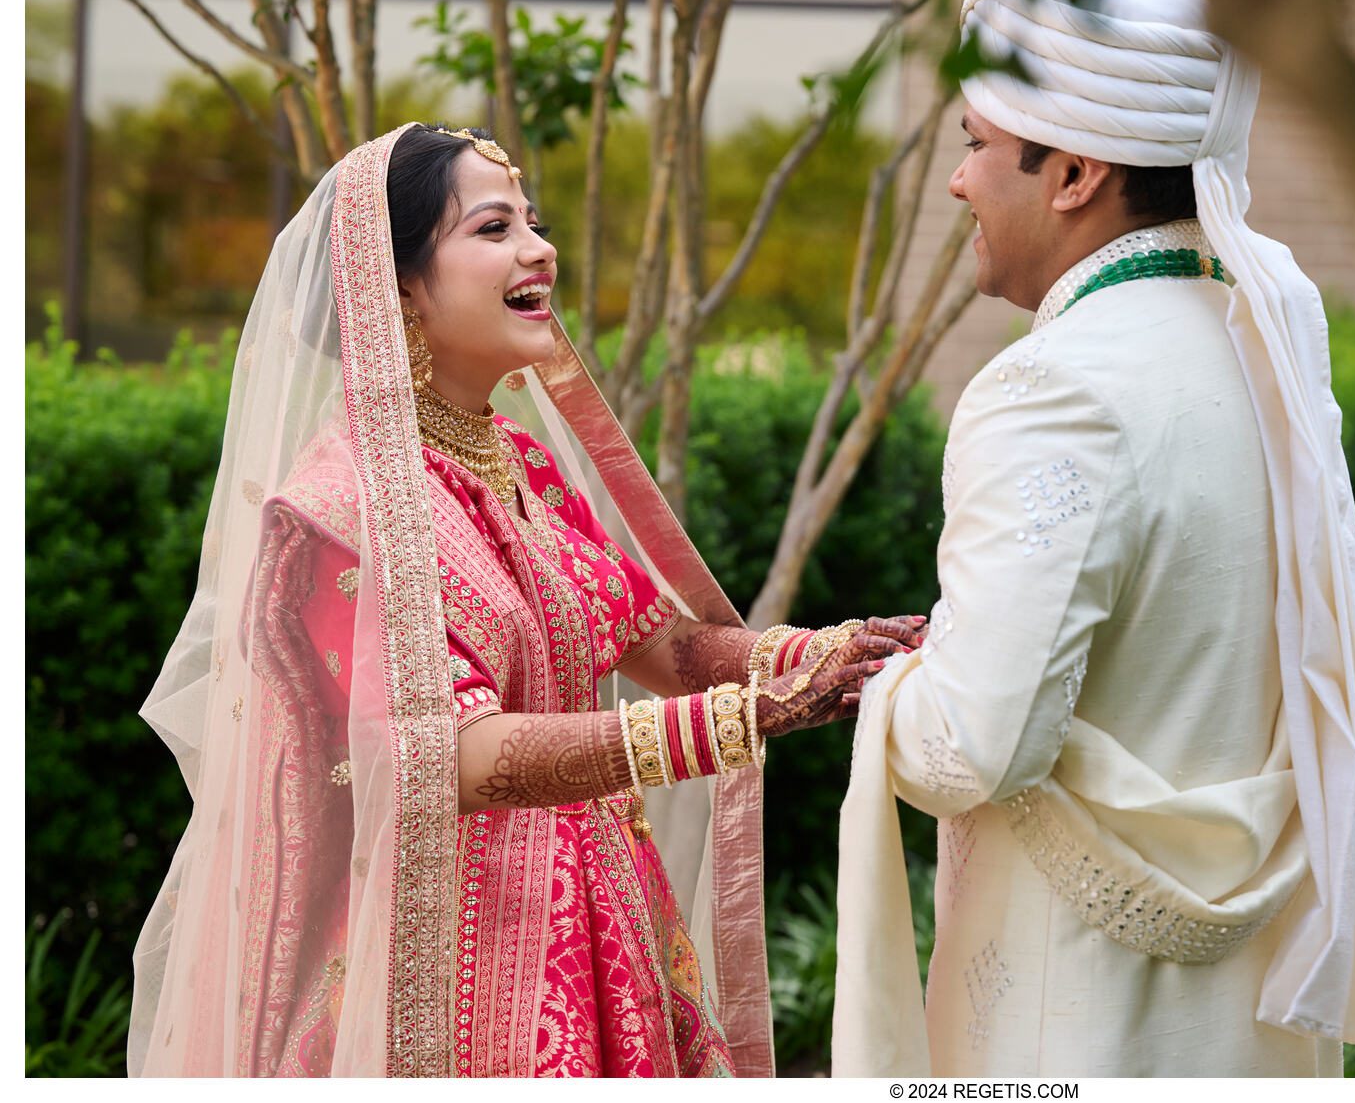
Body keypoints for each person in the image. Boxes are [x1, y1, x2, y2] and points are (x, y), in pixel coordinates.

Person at [833, 0, 1355, 1077]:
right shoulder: (1260, 350)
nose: (958, 181)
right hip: (1244, 1013)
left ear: (1073, 173)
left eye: (976, 145)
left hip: (1074, 1007)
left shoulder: (1047, 388)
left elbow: (973, 745)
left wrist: (883, 681)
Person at [127, 123, 921, 1076]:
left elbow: (661, 643)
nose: (540, 250)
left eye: (533, 223)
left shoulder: (522, 466)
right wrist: (736, 722)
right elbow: (445, 752)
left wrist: (831, 657)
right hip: (449, 964)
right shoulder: (341, 511)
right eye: (495, 228)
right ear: (402, 289)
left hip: (602, 927)